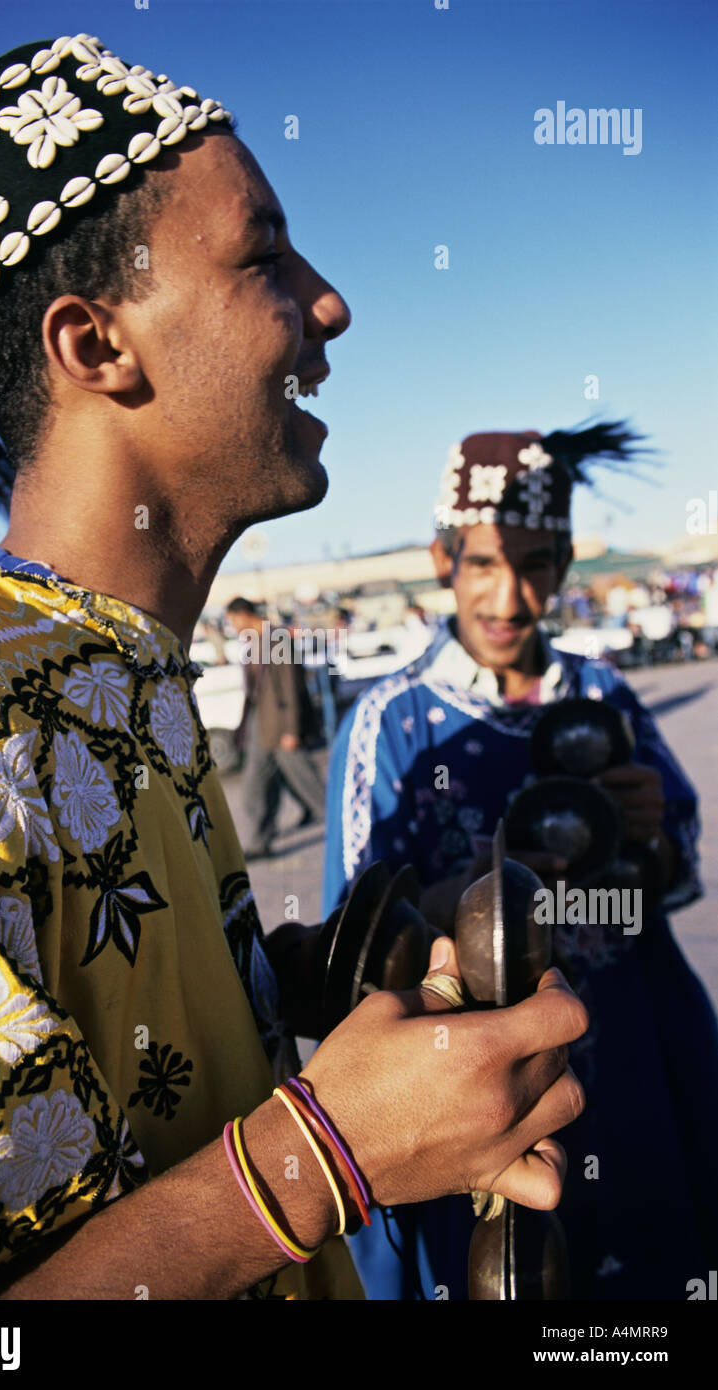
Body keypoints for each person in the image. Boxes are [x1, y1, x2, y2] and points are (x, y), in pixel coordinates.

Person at [0, 35, 587, 1300]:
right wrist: (327, 1157)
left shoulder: (127, 669)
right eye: (264, 256)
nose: (331, 303)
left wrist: (304, 980)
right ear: (95, 345)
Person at [324, 426, 718, 1299]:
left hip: (636, 1059)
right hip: (482, 1099)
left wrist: (649, 835)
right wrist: (478, 899)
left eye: (537, 566)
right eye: (484, 567)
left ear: (566, 563)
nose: (510, 597)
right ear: (442, 559)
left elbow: (675, 875)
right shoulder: (389, 723)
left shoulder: (601, 692)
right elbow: (353, 954)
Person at [226, 596, 325, 858]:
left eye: (233, 620)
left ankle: (345, 821)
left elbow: (290, 686)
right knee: (262, 784)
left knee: (306, 785)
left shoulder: (277, 638)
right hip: (261, 722)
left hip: (280, 723)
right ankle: (260, 842)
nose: (232, 626)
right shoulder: (253, 641)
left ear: (244, 615)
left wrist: (291, 729)